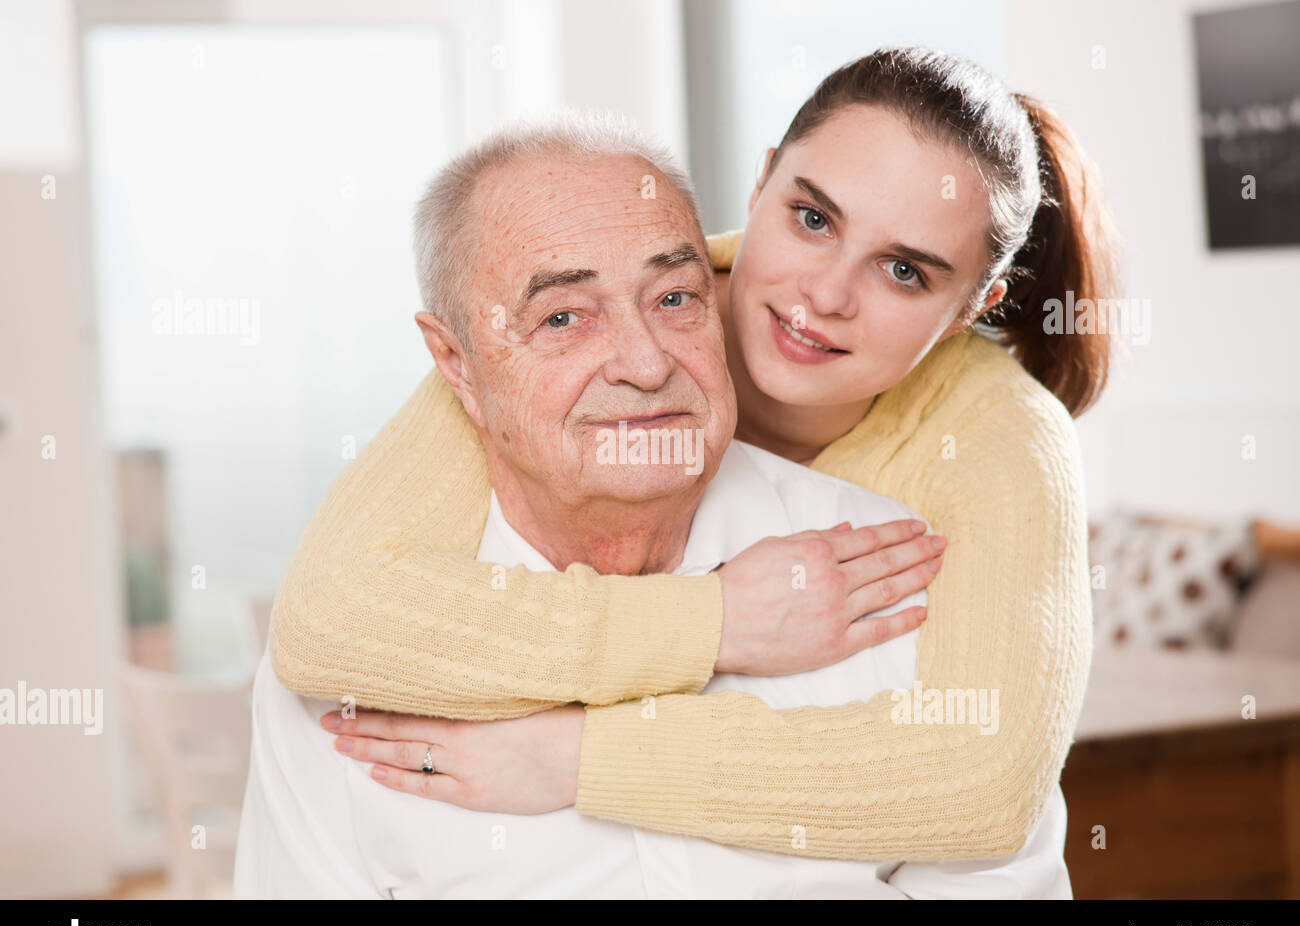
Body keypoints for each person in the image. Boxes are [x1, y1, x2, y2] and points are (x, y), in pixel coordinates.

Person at [271, 46, 1117, 862]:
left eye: (904, 270)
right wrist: (715, 621)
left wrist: (577, 756)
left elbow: (981, 784)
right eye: (812, 218)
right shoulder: (585, 321)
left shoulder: (1001, 439)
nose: (824, 295)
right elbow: (326, 620)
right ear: (762, 181)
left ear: (974, 306)